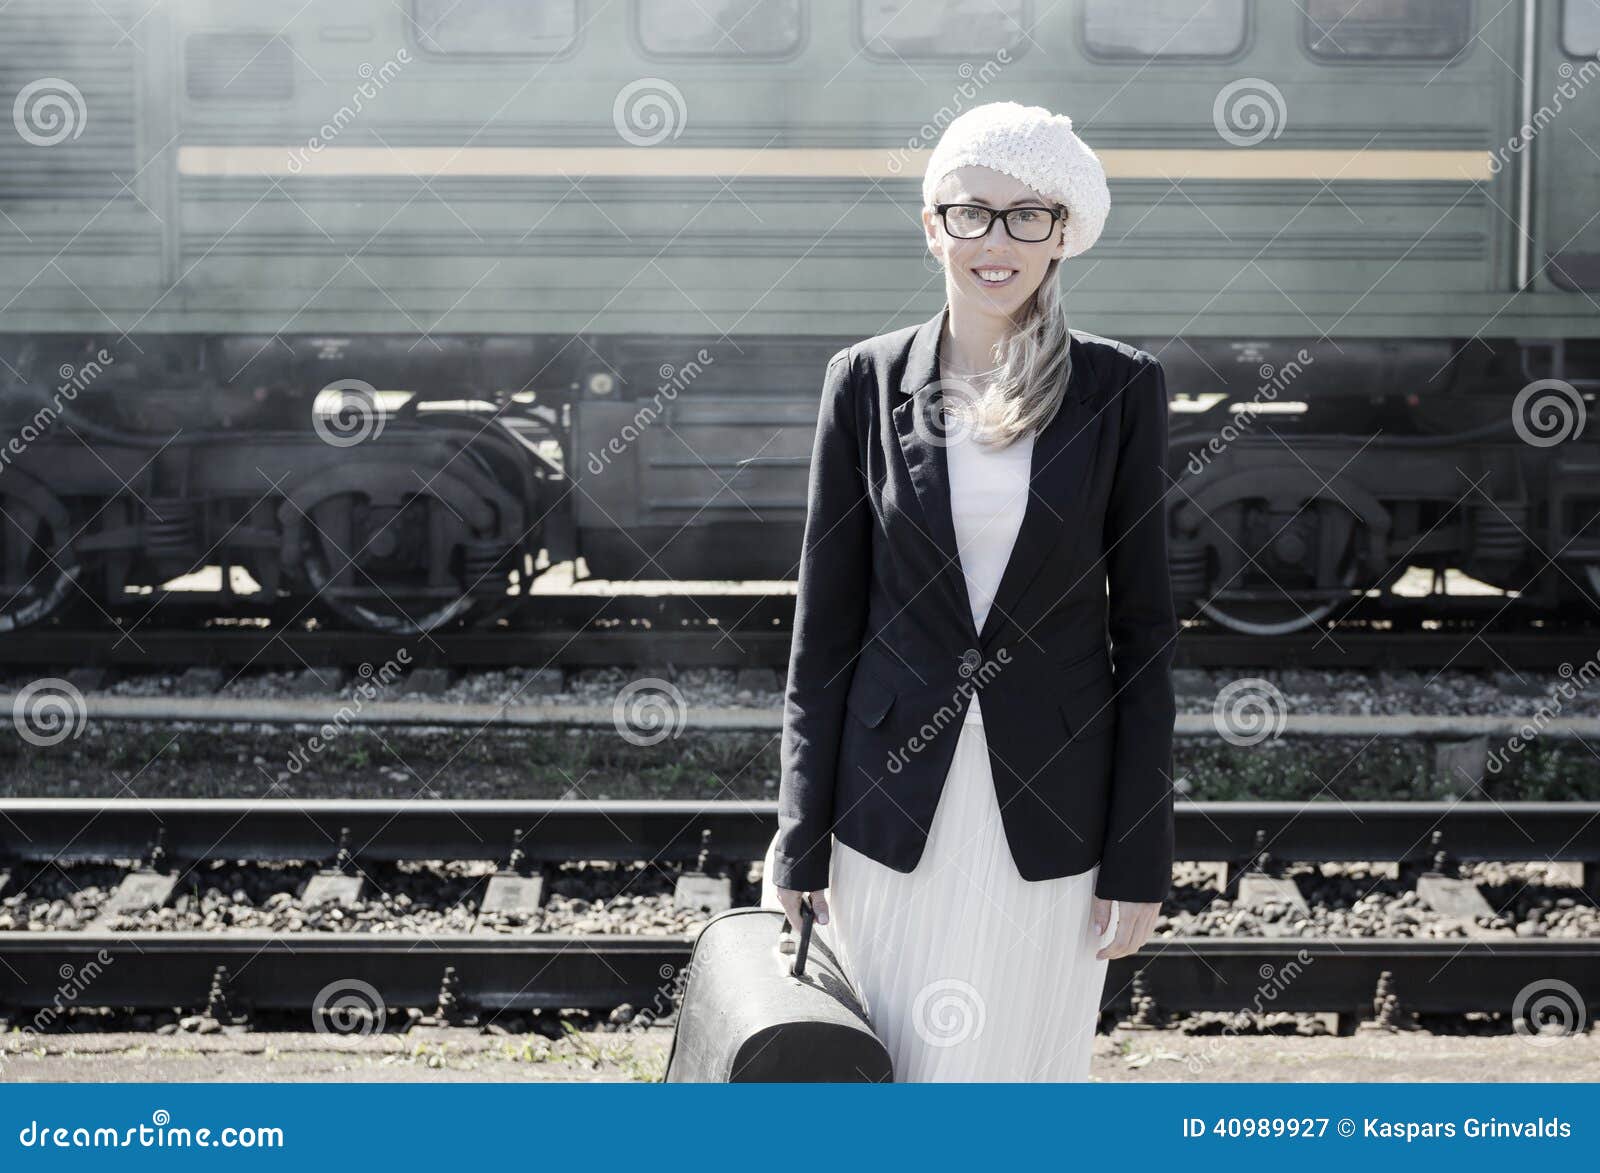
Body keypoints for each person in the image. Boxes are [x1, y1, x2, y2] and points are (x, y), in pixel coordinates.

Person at [761, 101, 1177, 1081]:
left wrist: (1139, 859)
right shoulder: (861, 383)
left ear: (1063, 233)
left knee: (1018, 1079)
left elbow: (1146, 636)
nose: (997, 241)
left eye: (1026, 214)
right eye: (969, 212)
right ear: (930, 225)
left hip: (1054, 814)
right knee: (897, 1073)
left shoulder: (1120, 390)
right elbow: (821, 636)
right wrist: (797, 838)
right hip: (890, 812)